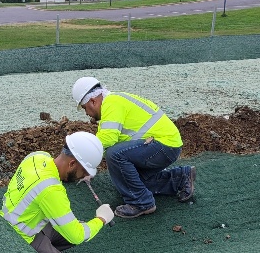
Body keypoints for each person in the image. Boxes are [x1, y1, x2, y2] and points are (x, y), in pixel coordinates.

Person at [0, 132, 114, 253]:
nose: (83, 176)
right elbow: (77, 236)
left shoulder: (37, 157)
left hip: (19, 223)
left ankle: (47, 251)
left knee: (74, 226)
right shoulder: (51, 189)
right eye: (84, 172)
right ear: (72, 164)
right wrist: (102, 219)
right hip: (21, 240)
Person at [72, 76, 194, 218]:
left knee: (114, 154)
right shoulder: (113, 103)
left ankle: (141, 203)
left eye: (84, 108)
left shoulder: (111, 103)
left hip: (163, 145)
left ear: (93, 101)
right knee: (132, 182)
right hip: (166, 145)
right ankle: (181, 177)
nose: (87, 113)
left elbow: (107, 140)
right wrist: (89, 168)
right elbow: (104, 142)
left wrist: (80, 158)